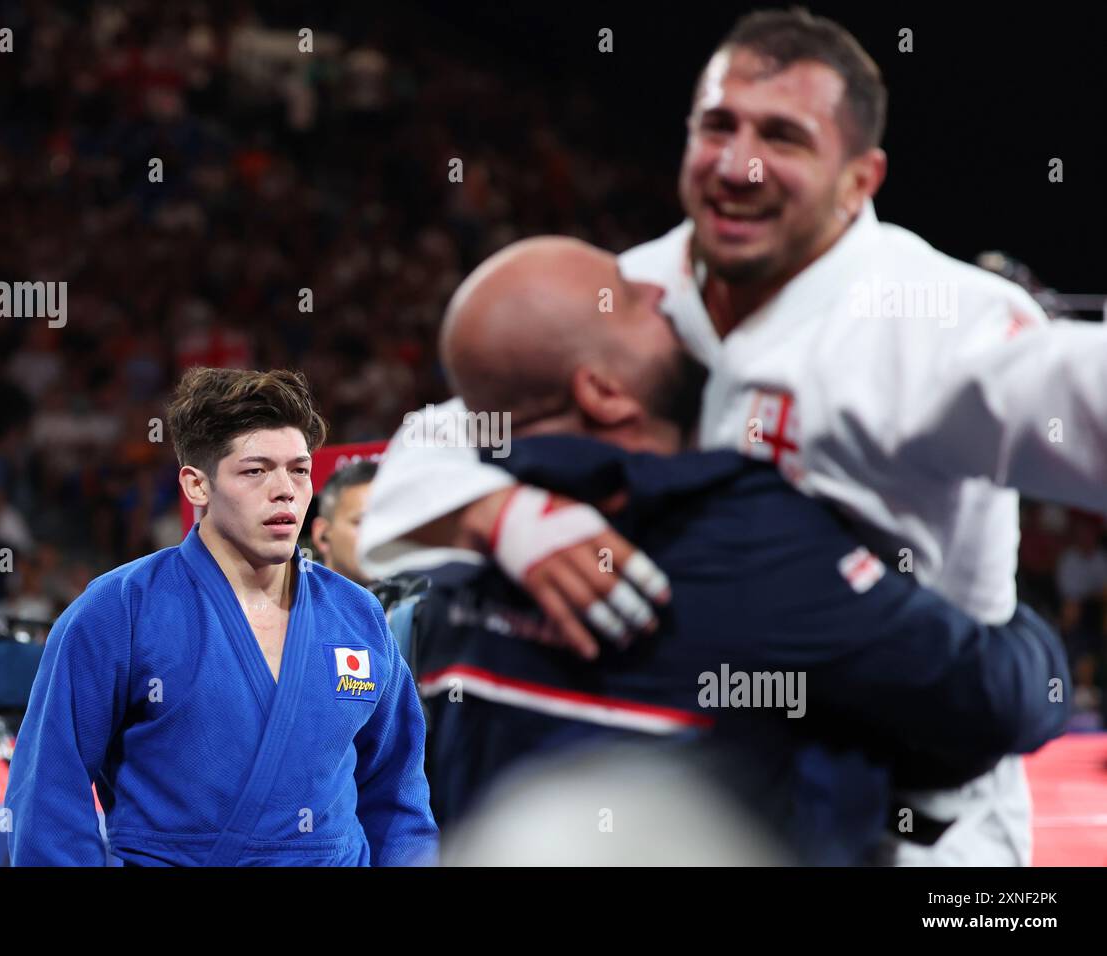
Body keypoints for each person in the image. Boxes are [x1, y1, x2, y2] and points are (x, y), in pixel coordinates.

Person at [359, 9, 1107, 865]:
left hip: (919, 788)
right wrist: (506, 513)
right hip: (685, 769)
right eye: (718, 125)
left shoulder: (939, 318)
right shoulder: (630, 296)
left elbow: (1074, 392)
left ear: (861, 178)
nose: (736, 162)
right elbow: (427, 450)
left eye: (783, 136)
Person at [413, 236, 1069, 864]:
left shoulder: (445, 561)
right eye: (633, 300)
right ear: (603, 391)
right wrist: (1011, 616)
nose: (665, 296)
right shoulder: (740, 536)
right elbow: (998, 703)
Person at [4, 368, 437, 866]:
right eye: (255, 470)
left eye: (299, 470)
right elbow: (48, 798)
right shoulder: (119, 609)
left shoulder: (357, 614)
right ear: (197, 485)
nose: (285, 491)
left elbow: (399, 799)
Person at [310, 460, 377, 587]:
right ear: (322, 534)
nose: (379, 534)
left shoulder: (417, 597)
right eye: (361, 523)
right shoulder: (294, 599)